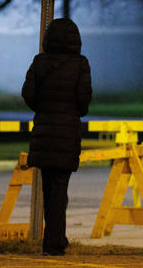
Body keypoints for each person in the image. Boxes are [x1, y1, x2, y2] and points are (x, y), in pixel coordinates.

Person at [21, 17, 92, 256]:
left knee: (49, 187)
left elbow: (27, 93)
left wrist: (43, 108)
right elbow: (84, 99)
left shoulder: (39, 62)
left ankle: (54, 238)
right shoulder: (80, 64)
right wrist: (74, 111)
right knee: (60, 188)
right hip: (67, 130)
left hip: (44, 130)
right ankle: (54, 242)